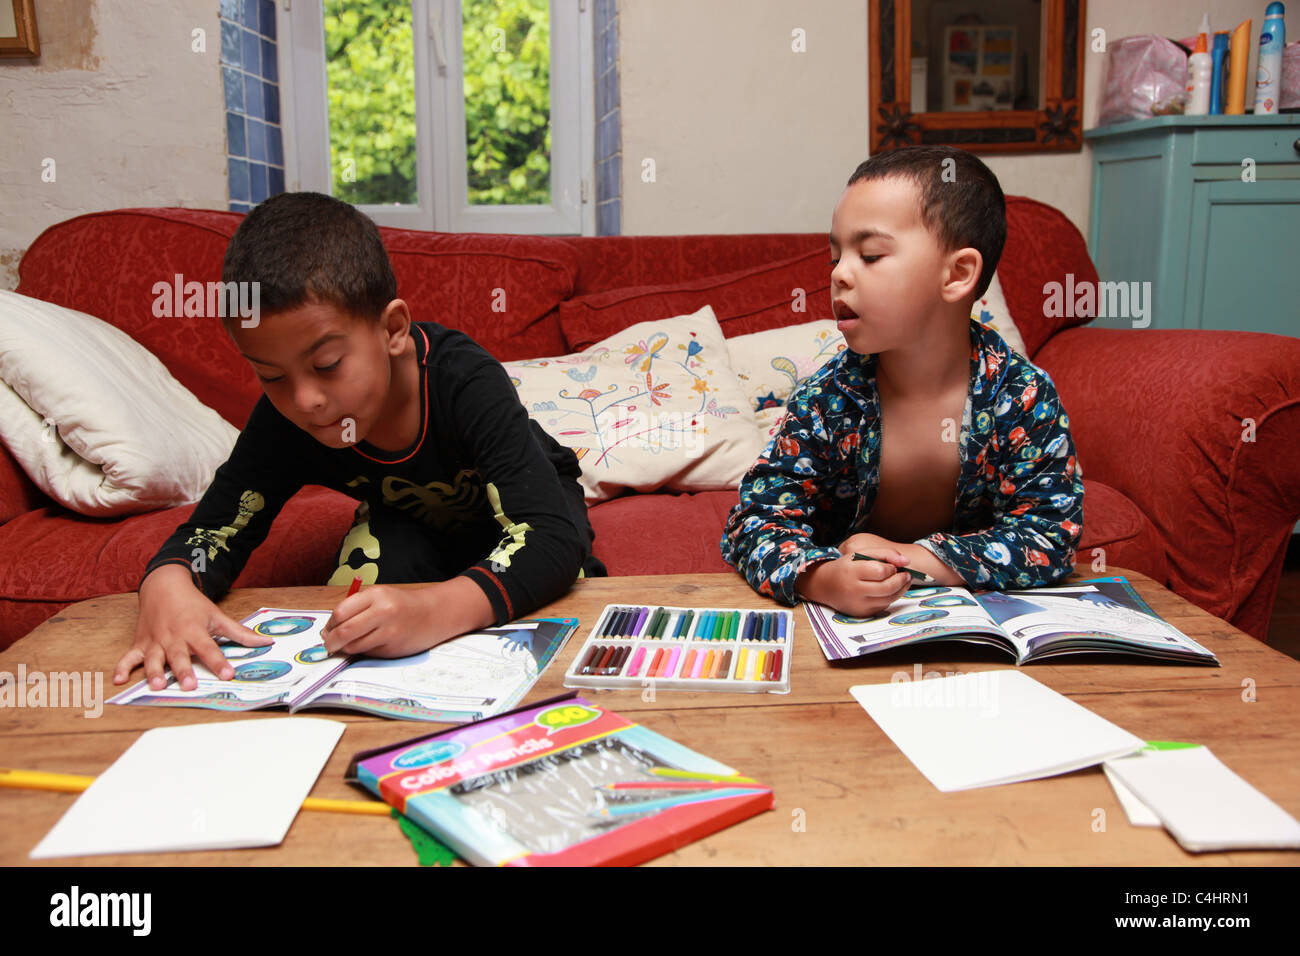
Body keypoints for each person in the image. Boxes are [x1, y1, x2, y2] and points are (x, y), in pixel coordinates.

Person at [114, 191, 602, 691]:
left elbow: (548, 536)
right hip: (409, 519)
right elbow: (214, 531)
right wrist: (167, 582)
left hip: (528, 513)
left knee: (564, 581)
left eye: (327, 366)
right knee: (363, 607)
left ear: (392, 329)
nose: (305, 400)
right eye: (271, 376)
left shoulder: (464, 380)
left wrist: (434, 610)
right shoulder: (284, 422)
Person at [720, 146, 1083, 619]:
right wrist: (821, 576)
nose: (839, 275)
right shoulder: (827, 401)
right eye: (836, 256)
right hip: (846, 630)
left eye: (870, 254)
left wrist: (911, 561)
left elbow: (1051, 536)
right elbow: (753, 522)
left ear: (957, 274)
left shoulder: (1022, 394)